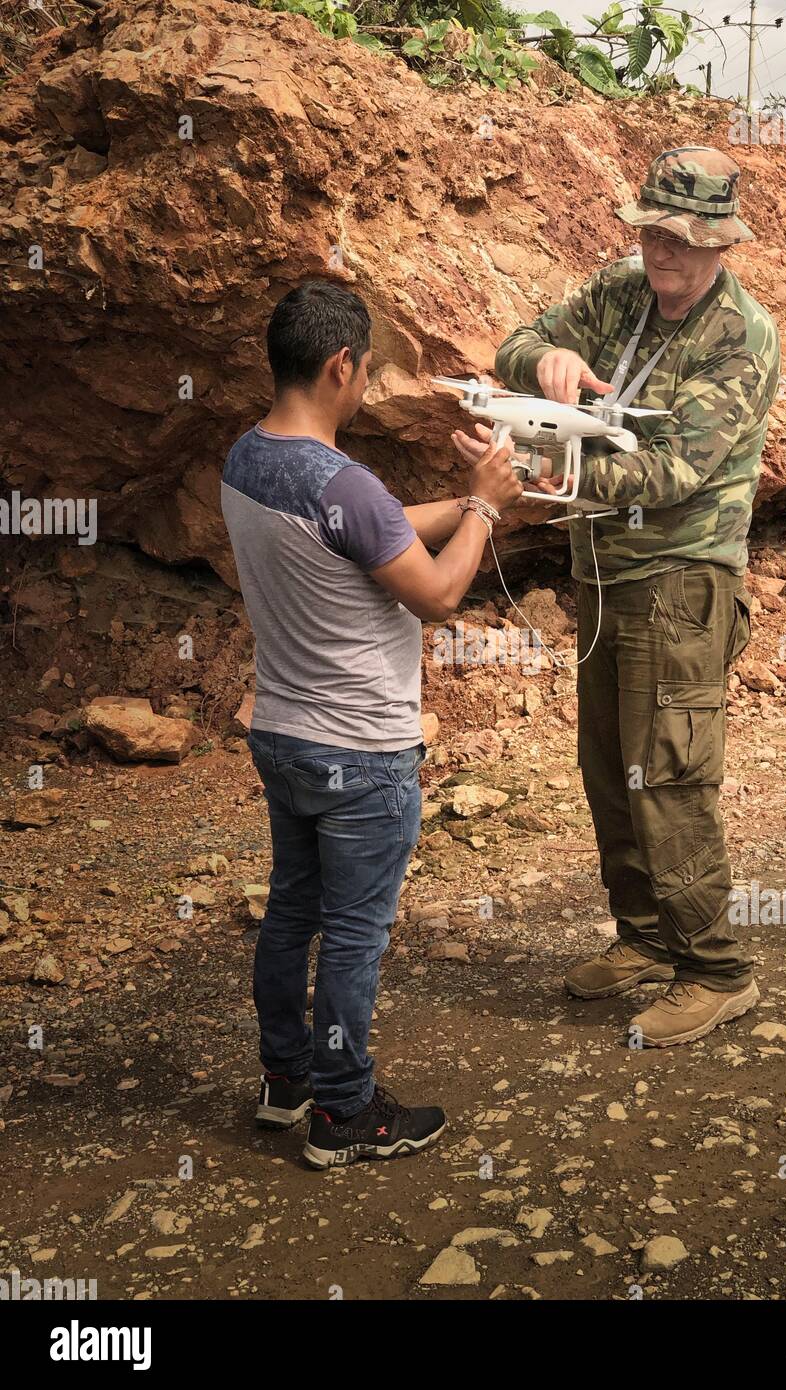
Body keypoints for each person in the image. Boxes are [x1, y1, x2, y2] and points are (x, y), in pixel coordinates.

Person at [221, 280, 522, 1167]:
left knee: (291, 913)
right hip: (361, 749)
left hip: (282, 732)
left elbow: (372, 532)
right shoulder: (339, 480)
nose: (367, 388)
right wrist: (489, 508)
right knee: (354, 932)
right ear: (339, 365)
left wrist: (473, 504)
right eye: (366, 373)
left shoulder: (246, 458)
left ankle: (287, 1083)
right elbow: (434, 594)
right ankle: (345, 1114)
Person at [486, 146, 780, 1046]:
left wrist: (551, 471)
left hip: (681, 578)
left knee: (669, 779)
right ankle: (645, 939)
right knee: (609, 769)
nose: (667, 254)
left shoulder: (740, 335)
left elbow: (677, 468)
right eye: (655, 233)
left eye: (688, 241)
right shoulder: (619, 288)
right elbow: (512, 349)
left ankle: (714, 968)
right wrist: (552, 361)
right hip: (602, 575)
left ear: (722, 244)